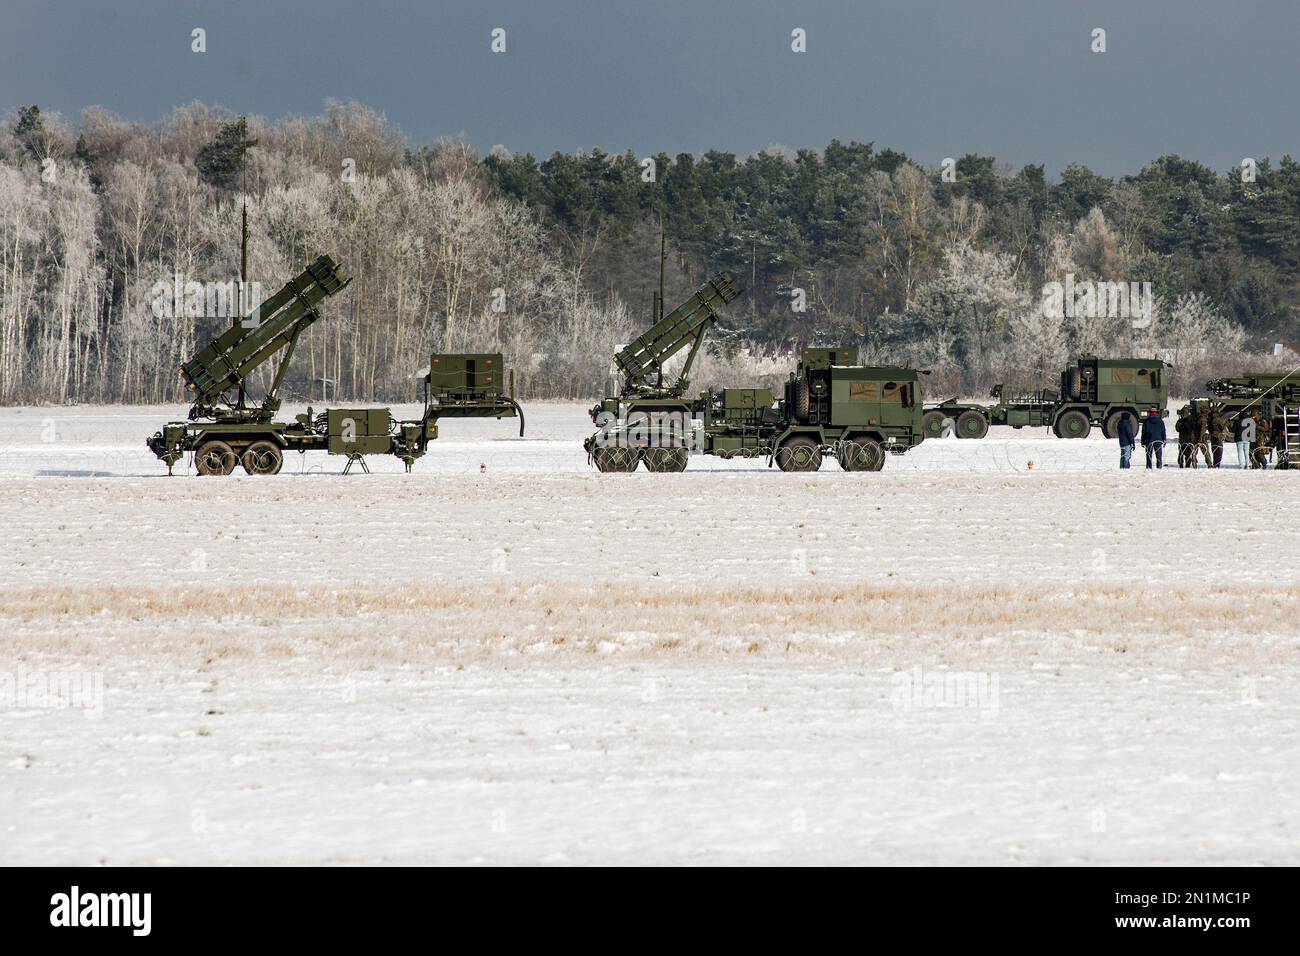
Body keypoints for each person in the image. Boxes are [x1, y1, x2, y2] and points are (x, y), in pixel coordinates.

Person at [1208, 402, 1226, 468]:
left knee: (1214, 450)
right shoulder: (1218, 419)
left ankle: (1214, 463)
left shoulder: (1209, 418)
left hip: (1212, 435)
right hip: (1218, 436)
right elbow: (1222, 428)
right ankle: (1217, 464)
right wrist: (1225, 424)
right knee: (1219, 451)